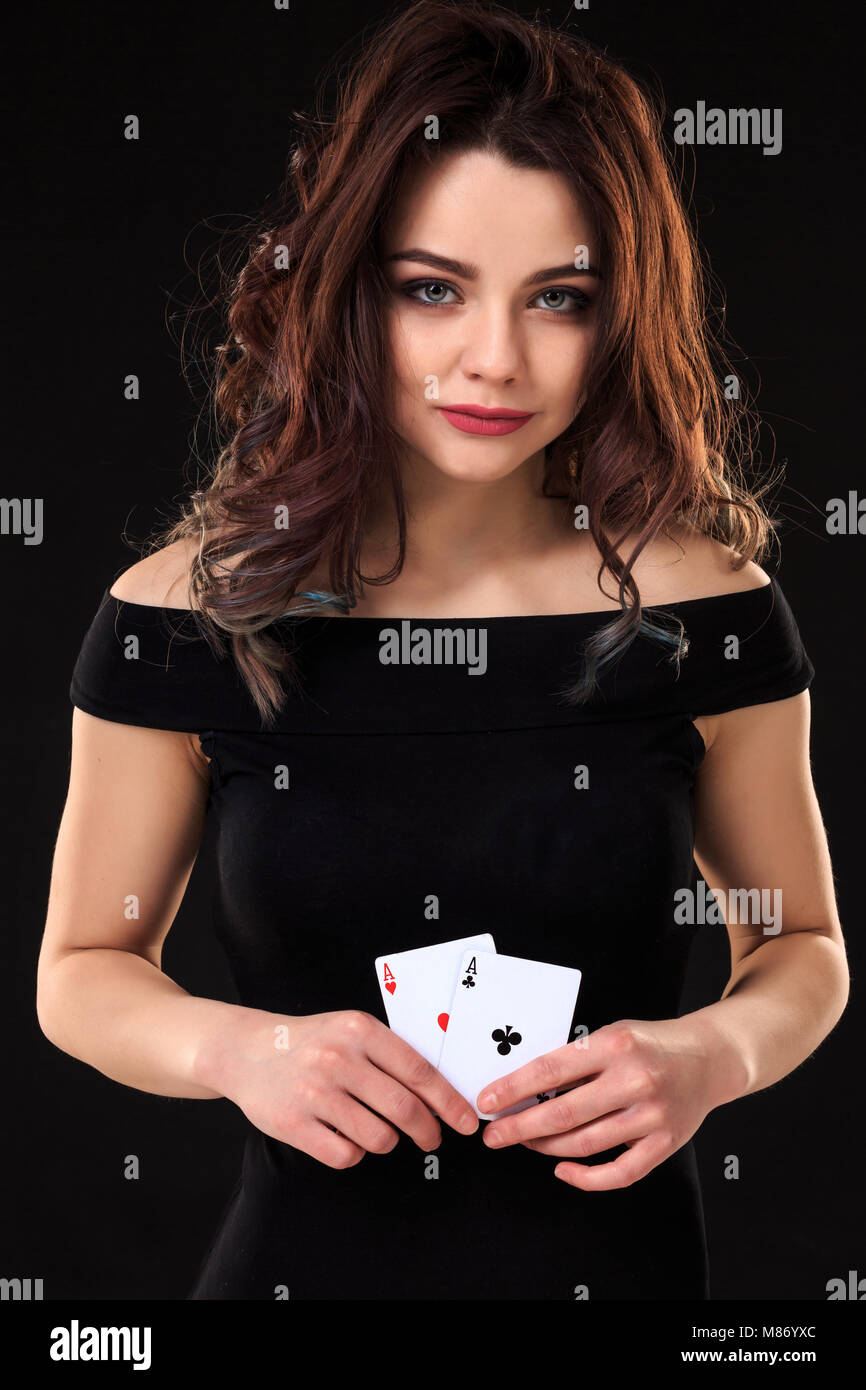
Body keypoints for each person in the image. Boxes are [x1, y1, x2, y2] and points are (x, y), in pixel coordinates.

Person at [37, 0, 848, 1300]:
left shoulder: (710, 609)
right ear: (348, 284)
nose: (494, 359)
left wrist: (713, 1056)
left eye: (559, 299)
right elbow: (81, 971)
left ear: (619, 310)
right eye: (432, 288)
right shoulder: (177, 614)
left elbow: (797, 939)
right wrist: (239, 1051)